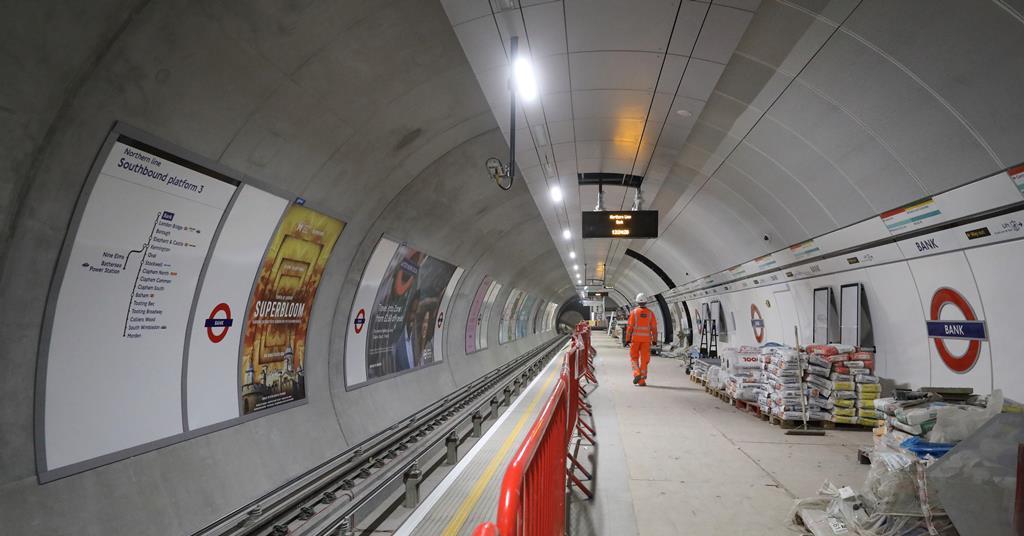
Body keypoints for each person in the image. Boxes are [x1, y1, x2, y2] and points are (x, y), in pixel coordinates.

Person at [626, 293, 658, 386]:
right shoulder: (650, 313)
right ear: (646, 302)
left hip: (635, 340)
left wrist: (627, 339)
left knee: (634, 358)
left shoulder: (634, 313)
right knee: (644, 360)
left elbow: (630, 327)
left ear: (637, 302)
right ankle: (642, 380)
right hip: (646, 340)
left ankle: (637, 373)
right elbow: (654, 328)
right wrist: (654, 340)